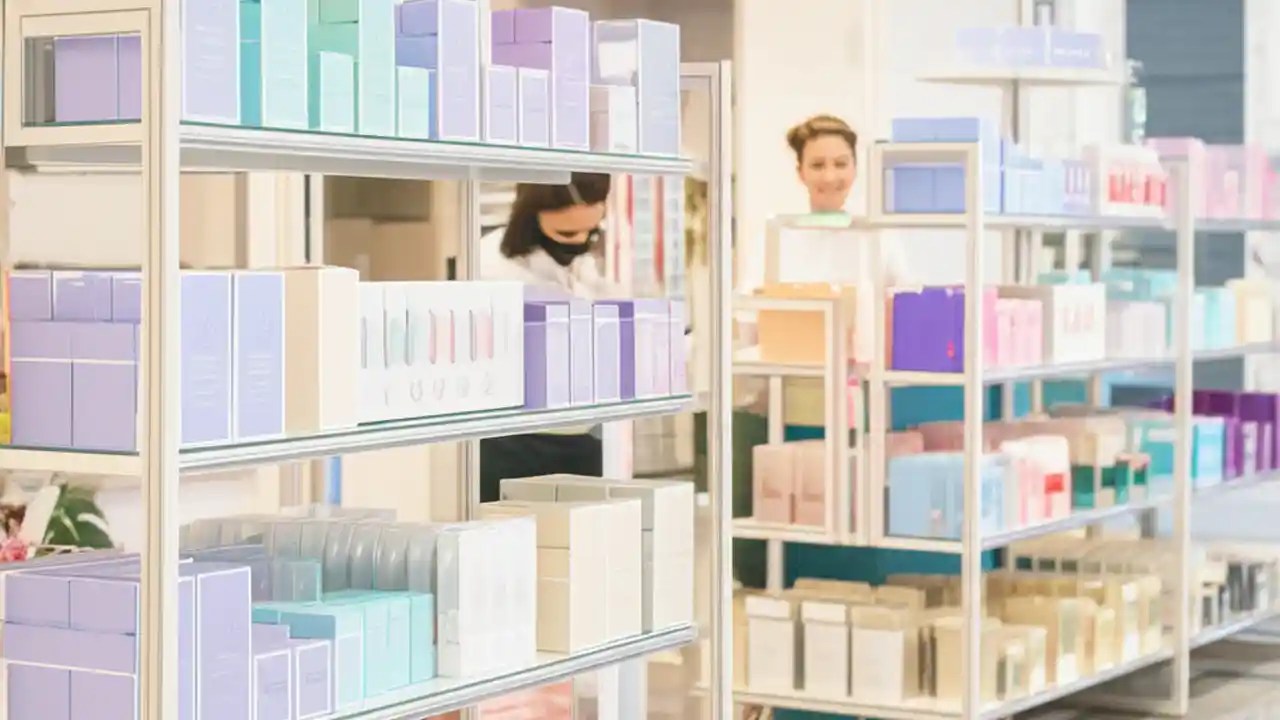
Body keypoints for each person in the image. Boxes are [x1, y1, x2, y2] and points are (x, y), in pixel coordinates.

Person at [477, 173, 616, 502]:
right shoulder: (491, 267)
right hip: (514, 443)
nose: (579, 242)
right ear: (531, 215)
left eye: (591, 232)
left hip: (579, 437)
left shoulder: (580, 266)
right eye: (567, 233)